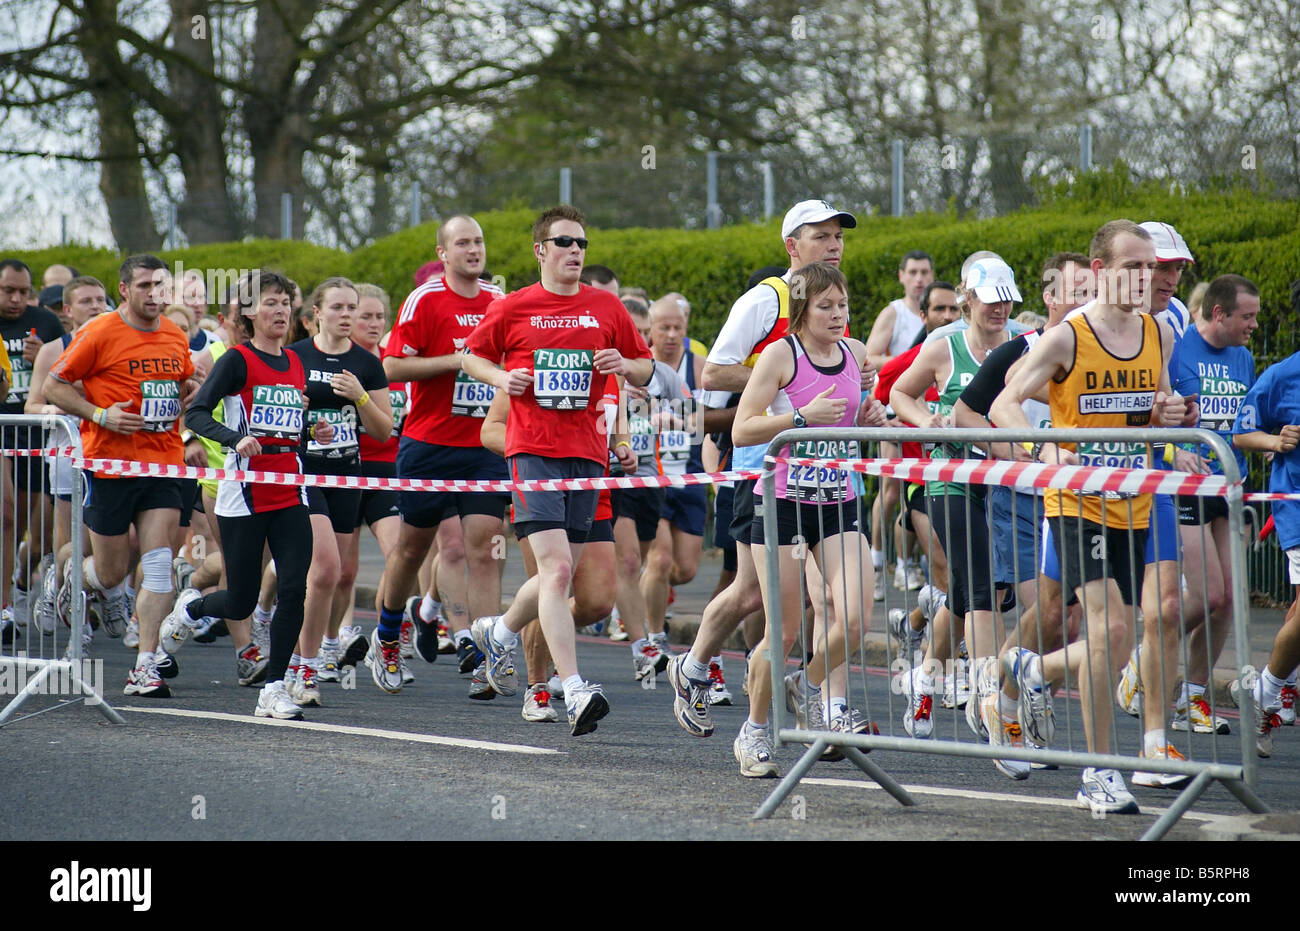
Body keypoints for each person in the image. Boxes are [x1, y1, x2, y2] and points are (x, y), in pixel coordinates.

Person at [991, 219, 1187, 815]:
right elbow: (1004, 402)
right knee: (1109, 631)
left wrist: (1171, 412)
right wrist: (1047, 448)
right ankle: (1100, 771)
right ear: (1100, 272)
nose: (1145, 277)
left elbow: (1155, 408)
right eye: (1133, 266)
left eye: (1150, 267)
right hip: (1076, 500)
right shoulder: (1067, 338)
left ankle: (1030, 668)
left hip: (1133, 499)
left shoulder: (1159, 333)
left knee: (1119, 637)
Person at [667, 199, 861, 742]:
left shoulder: (832, 304)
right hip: (765, 466)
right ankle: (695, 665)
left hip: (826, 474)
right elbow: (712, 371)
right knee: (754, 595)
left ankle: (824, 702)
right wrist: (779, 379)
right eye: (821, 236)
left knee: (826, 599)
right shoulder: (767, 298)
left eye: (838, 237)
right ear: (790, 246)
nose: (834, 245)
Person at [461, 204, 653, 736]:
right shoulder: (515, 306)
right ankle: (571, 688)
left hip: (586, 455)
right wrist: (502, 379)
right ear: (541, 250)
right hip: (533, 450)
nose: (575, 252)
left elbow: (645, 364)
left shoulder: (605, 307)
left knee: (559, 575)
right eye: (565, 243)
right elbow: (470, 357)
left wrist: (624, 365)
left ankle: (497, 633)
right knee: (559, 572)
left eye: (582, 244)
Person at [730, 261, 886, 776]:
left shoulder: (855, 354)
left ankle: (808, 682)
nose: (839, 315)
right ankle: (754, 731)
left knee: (857, 618)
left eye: (843, 305)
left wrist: (869, 418)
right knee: (785, 632)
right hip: (781, 503)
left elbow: (853, 417)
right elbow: (742, 430)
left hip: (837, 500)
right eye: (826, 307)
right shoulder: (780, 355)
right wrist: (798, 419)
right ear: (802, 310)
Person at [163, 269, 330, 719]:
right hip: (244, 492)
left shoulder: (296, 362)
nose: (280, 311)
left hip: (290, 490)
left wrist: (314, 427)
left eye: (285, 302)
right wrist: (235, 439)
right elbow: (196, 413)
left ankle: (274, 687)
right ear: (249, 313)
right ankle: (191, 608)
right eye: (270, 303)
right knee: (241, 599)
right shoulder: (237, 360)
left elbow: (286, 426)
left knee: (295, 585)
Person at [44, 254, 200, 696]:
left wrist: (188, 393)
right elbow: (54, 386)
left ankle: (145, 664)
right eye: (145, 286)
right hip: (110, 464)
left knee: (157, 565)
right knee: (112, 572)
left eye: (160, 286)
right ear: (125, 290)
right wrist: (100, 414)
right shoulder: (100, 332)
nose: (155, 294)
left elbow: (181, 388)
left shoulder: (174, 334)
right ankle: (82, 577)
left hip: (163, 462)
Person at [890, 255, 1018, 763]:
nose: (999, 310)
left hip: (1005, 483)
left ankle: (926, 676)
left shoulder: (1022, 343)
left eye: (1006, 300)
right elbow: (900, 393)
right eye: (990, 301)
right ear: (968, 299)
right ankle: (992, 706)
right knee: (981, 584)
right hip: (951, 480)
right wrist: (927, 422)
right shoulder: (943, 345)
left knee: (968, 591)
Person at [378, 214, 510, 688]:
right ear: (444, 254)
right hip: (428, 444)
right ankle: (389, 635)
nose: (474, 249)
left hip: (483, 446)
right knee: (411, 550)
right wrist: (456, 360)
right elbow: (391, 366)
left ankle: (488, 657)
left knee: (485, 550)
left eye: (479, 241)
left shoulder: (500, 301)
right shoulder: (425, 300)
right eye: (463, 243)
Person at [286, 278, 391, 703]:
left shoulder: (366, 364)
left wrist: (361, 398)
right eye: (338, 308)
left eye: (353, 308)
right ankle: (305, 668)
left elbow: (385, 431)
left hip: (347, 476)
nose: (347, 316)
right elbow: (266, 420)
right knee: (325, 568)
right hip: (303, 476)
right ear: (316, 314)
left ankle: (302, 657)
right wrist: (297, 410)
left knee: (337, 577)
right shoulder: (294, 357)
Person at [25, 276, 108, 642]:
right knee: (70, 541)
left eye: (101, 300)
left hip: (108, 456)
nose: (95, 306)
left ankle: (103, 596)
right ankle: (79, 622)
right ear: (67, 310)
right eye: (86, 301)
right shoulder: (53, 348)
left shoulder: (116, 345)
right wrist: (65, 405)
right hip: (67, 455)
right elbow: (31, 405)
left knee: (111, 541)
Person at [865, 251, 936, 596]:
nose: (920, 278)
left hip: (925, 410)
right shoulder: (894, 312)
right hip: (892, 409)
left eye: (925, 272)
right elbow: (869, 355)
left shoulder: (939, 310)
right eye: (913, 272)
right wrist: (911, 360)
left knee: (922, 489)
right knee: (891, 490)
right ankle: (877, 560)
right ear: (902, 276)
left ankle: (908, 563)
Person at [0, 258, 65, 634]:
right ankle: (5, 606)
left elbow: (62, 371)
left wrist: (40, 361)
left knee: (33, 532)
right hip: (3, 427)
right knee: (6, 515)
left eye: (24, 292)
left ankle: (21, 582)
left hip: (36, 433)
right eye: (8, 291)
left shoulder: (46, 322)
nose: (17, 299)